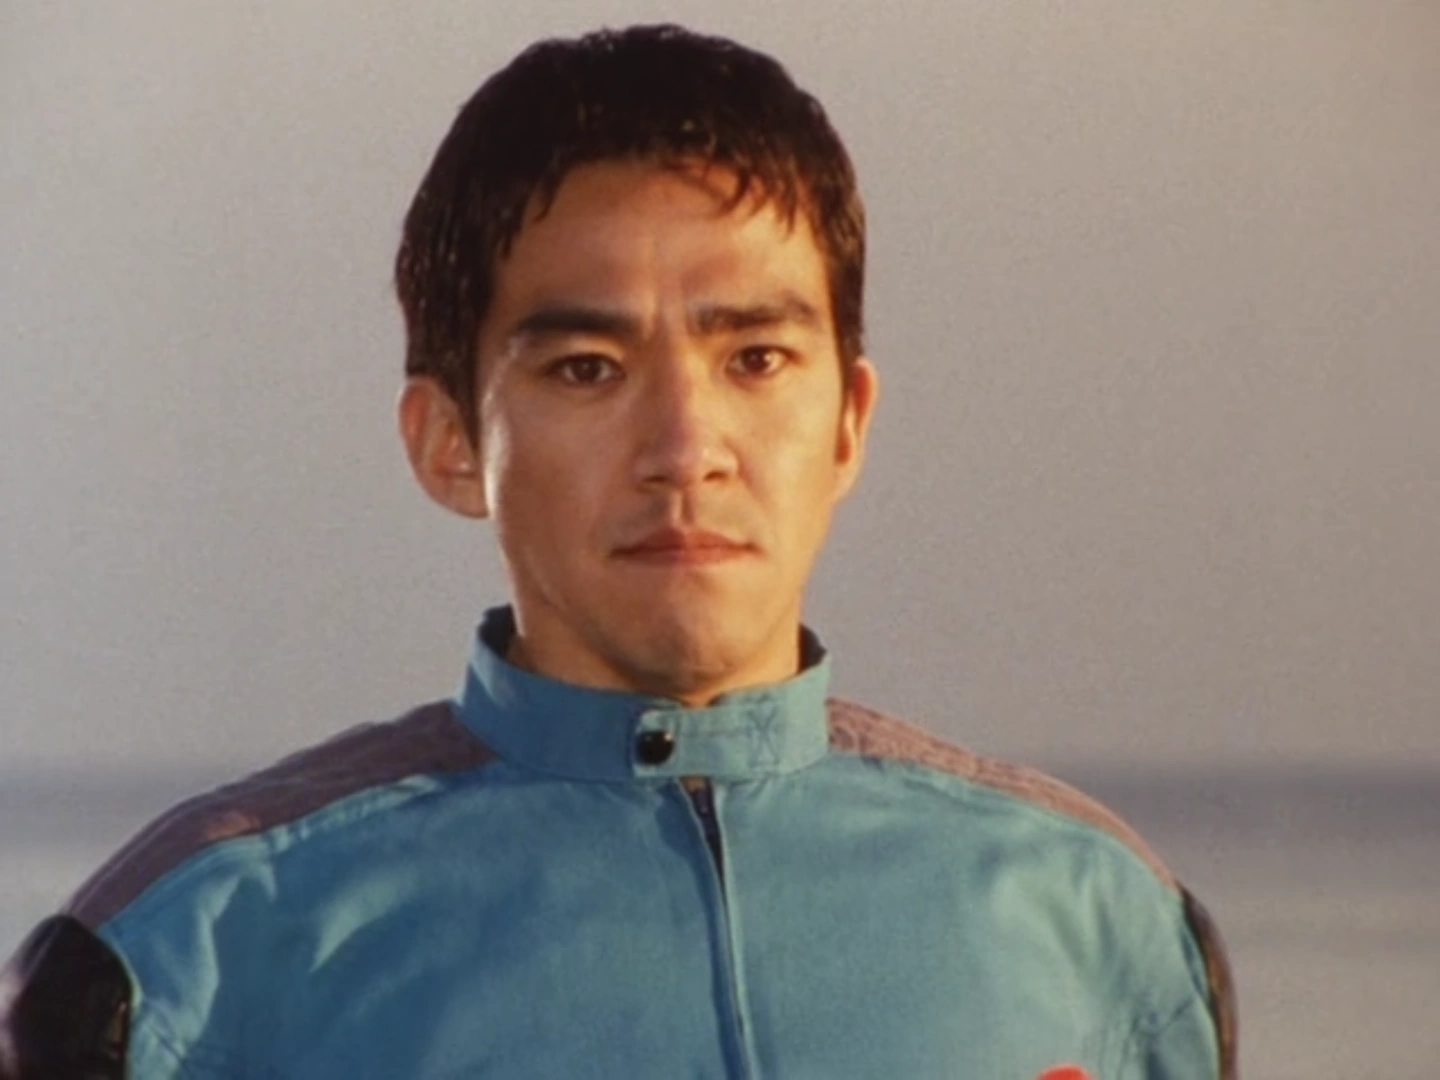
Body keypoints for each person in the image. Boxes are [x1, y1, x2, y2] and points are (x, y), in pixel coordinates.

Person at [0, 24, 1235, 1079]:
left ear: (848, 422)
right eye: (588, 369)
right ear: (449, 443)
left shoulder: (1099, 920)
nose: (686, 448)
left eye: (756, 359)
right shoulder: (189, 958)